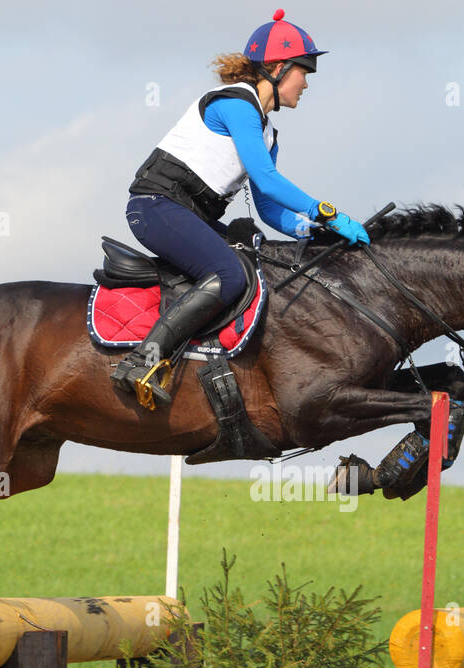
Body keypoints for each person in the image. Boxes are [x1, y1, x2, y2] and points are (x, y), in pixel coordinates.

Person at [111, 9, 371, 407]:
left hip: (183, 214)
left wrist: (310, 231)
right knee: (229, 275)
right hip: (155, 207)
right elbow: (267, 180)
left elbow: (268, 209)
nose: (306, 83)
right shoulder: (237, 106)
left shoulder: (267, 131)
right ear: (279, 67)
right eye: (305, 71)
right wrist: (329, 212)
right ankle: (141, 360)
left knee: (258, 262)